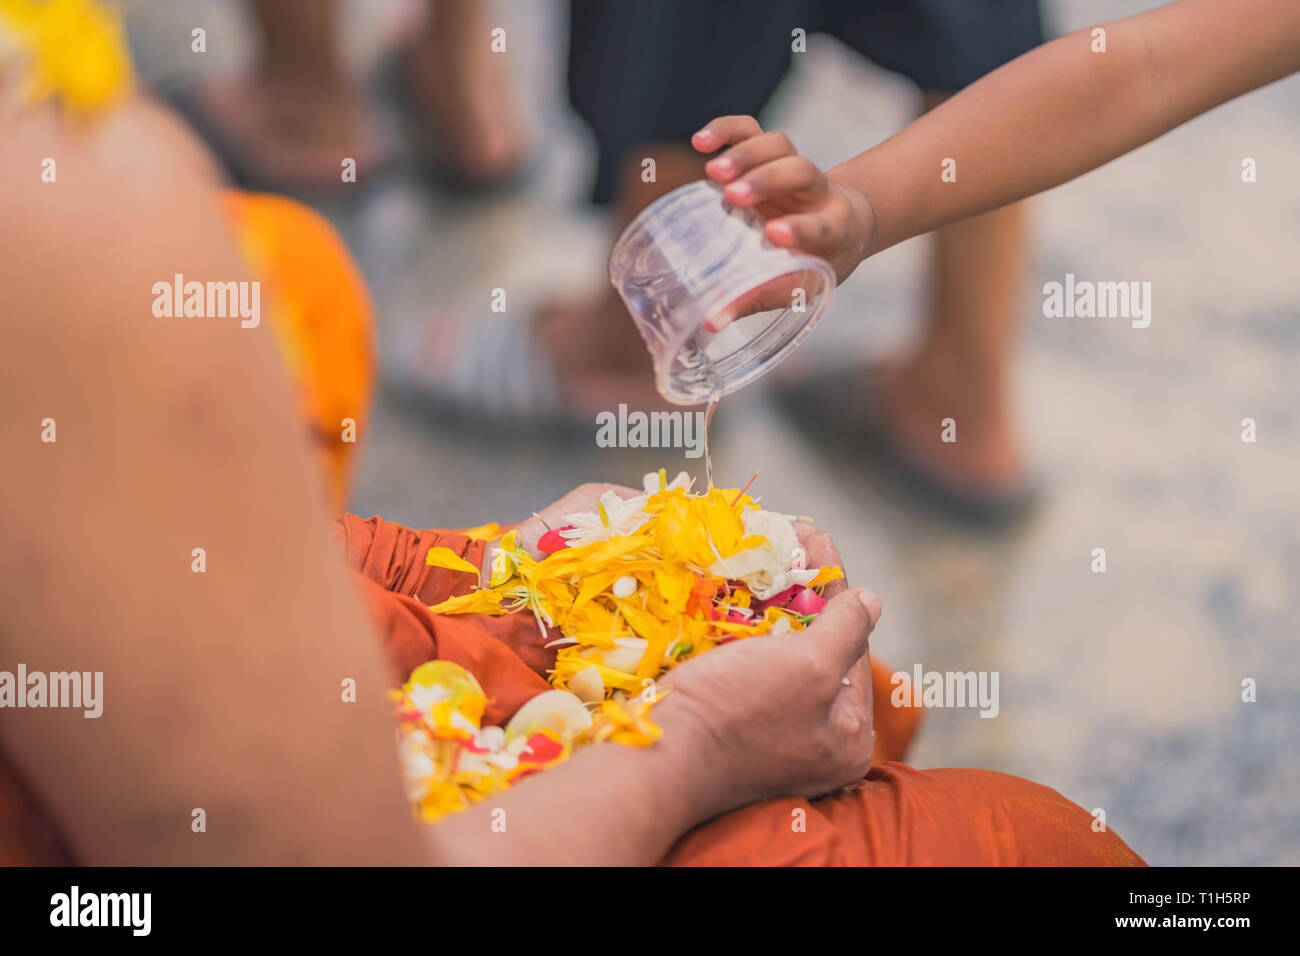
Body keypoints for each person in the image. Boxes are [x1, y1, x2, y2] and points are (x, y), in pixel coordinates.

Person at [0, 6, 1142, 865]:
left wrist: (499, 565)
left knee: (816, 668)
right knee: (1018, 836)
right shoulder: (75, 214)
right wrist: (689, 745)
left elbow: (1156, 63)